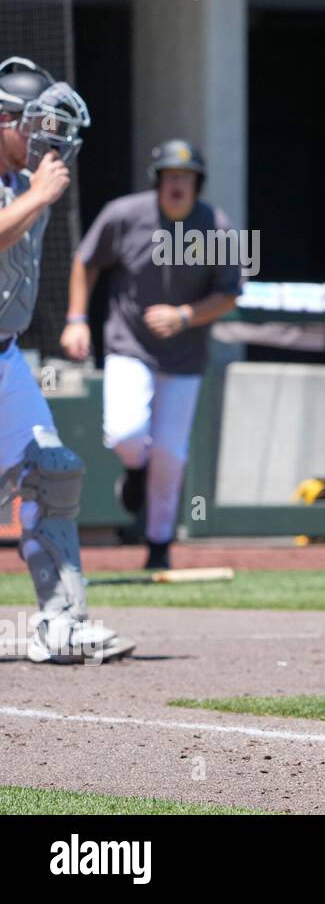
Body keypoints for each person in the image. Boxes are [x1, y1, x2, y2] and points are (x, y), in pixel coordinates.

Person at [0, 56, 133, 663]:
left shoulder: (30, 183)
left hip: (6, 356)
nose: (48, 139)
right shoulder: (33, 190)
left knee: (54, 469)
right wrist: (36, 197)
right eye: (36, 124)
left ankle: (60, 622)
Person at [61, 140, 241, 570]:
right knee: (125, 432)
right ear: (157, 181)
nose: (176, 184)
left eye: (185, 177)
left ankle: (159, 545)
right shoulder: (124, 215)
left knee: (171, 453)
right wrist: (76, 318)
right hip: (129, 343)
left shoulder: (217, 227)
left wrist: (183, 315)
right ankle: (135, 470)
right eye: (169, 176)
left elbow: (228, 295)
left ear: (198, 184)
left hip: (184, 355)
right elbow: (85, 261)